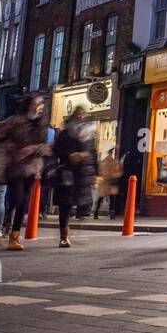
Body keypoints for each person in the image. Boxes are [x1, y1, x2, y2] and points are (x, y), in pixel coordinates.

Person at [3, 94, 50, 251]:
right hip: (15, 167)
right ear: (29, 105)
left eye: (41, 103)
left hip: (31, 167)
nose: (40, 106)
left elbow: (46, 147)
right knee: (17, 199)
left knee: (23, 203)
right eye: (37, 103)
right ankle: (6, 224)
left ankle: (13, 237)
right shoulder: (15, 122)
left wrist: (33, 149)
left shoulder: (41, 124)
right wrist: (14, 149)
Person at [53, 106, 98, 248]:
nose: (80, 116)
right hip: (67, 172)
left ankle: (74, 231)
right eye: (78, 114)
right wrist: (69, 155)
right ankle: (64, 236)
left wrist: (96, 173)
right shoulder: (65, 134)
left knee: (82, 204)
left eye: (83, 114)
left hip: (82, 174)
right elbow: (57, 151)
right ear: (72, 116)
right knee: (65, 205)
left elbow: (93, 154)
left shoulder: (88, 135)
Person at [94, 150, 122, 219]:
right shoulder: (115, 162)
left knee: (101, 198)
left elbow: (100, 171)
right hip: (110, 182)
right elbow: (119, 172)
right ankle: (111, 214)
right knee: (111, 199)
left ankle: (96, 212)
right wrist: (114, 175)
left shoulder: (104, 162)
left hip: (105, 182)